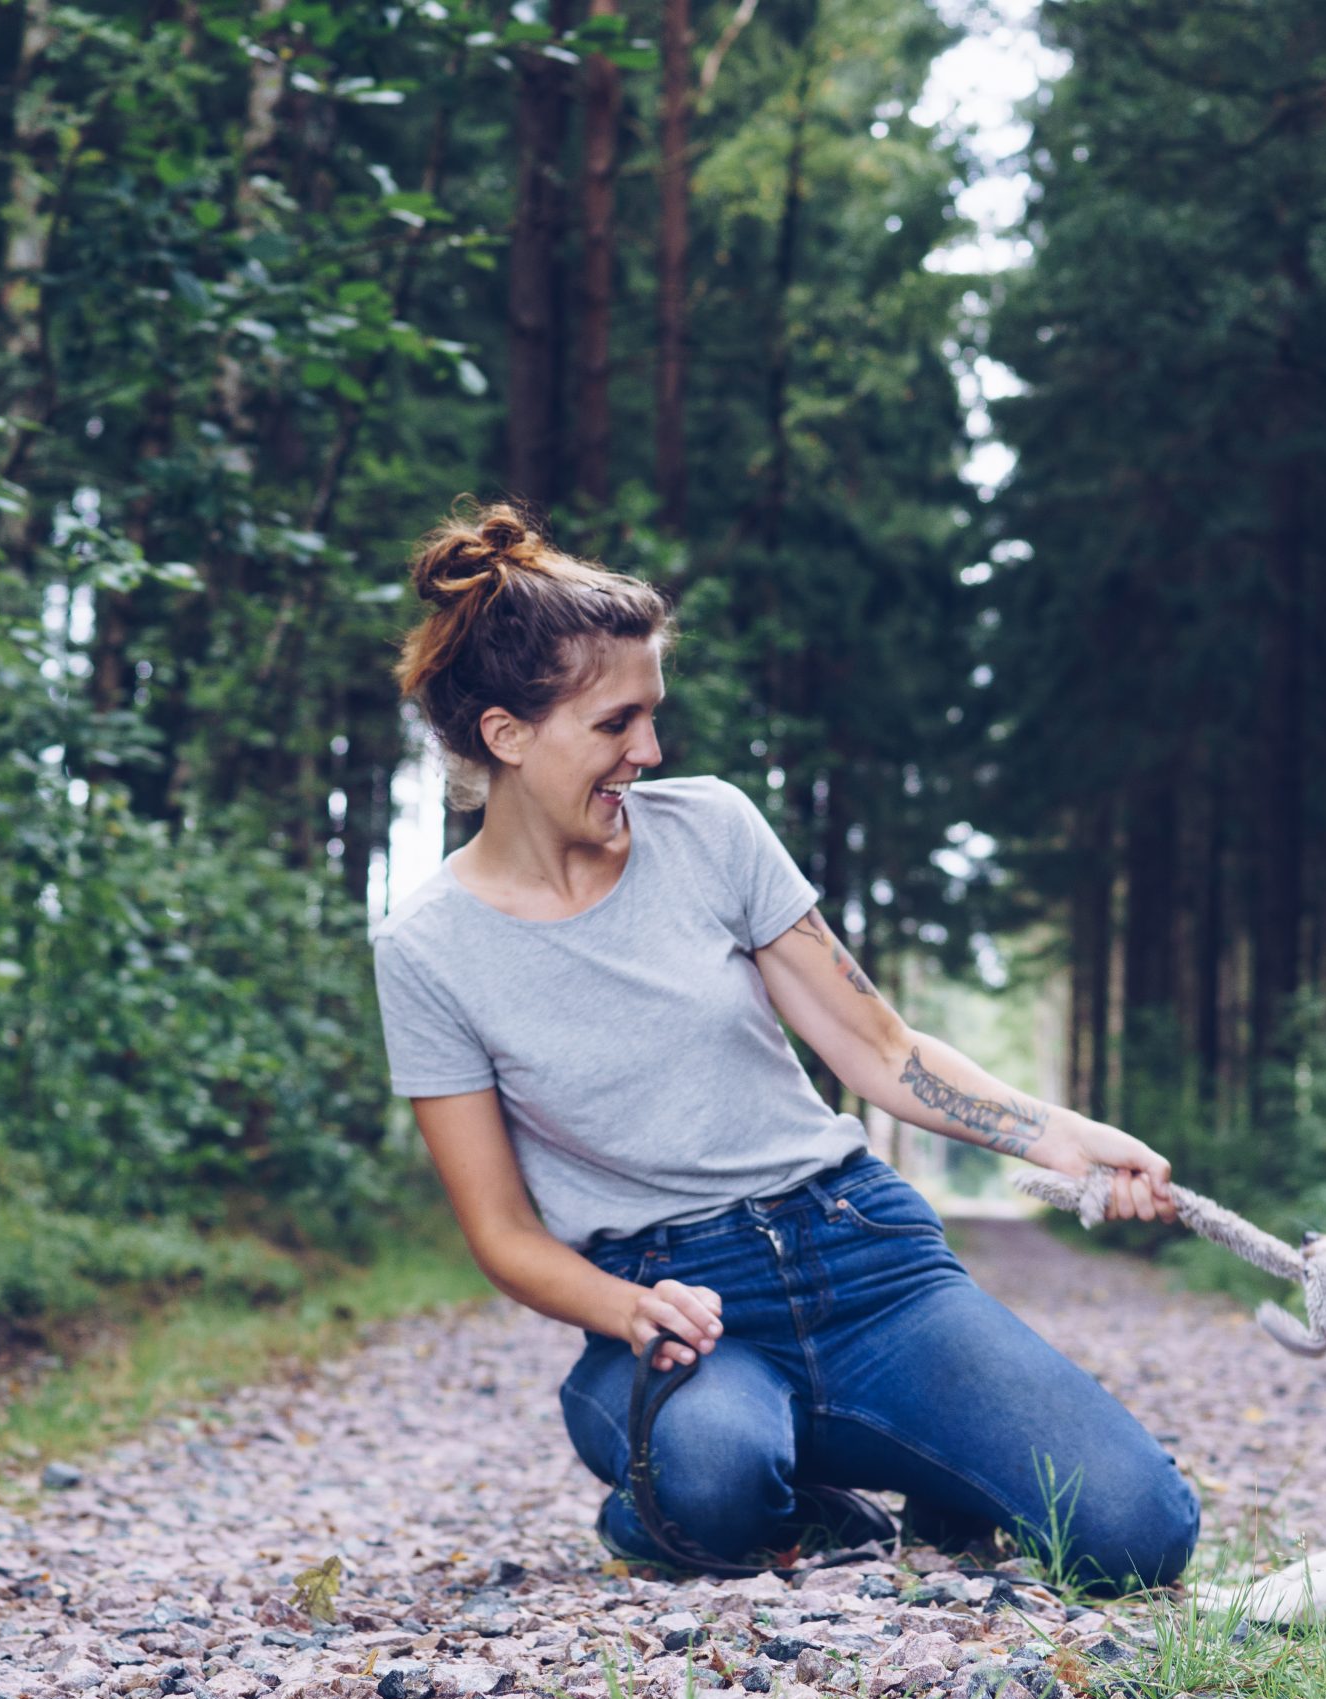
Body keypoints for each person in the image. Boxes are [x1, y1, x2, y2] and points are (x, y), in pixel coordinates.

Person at [370, 501, 1200, 1590]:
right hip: (674, 1306)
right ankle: (737, 1494)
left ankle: (928, 1462)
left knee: (1136, 1532)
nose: (648, 751)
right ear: (506, 734)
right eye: (616, 724)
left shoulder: (712, 829)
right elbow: (502, 1232)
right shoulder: (426, 949)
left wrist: (1059, 1136)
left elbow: (878, 1049)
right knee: (712, 1482)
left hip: (860, 1257)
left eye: (652, 716)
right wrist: (628, 1311)